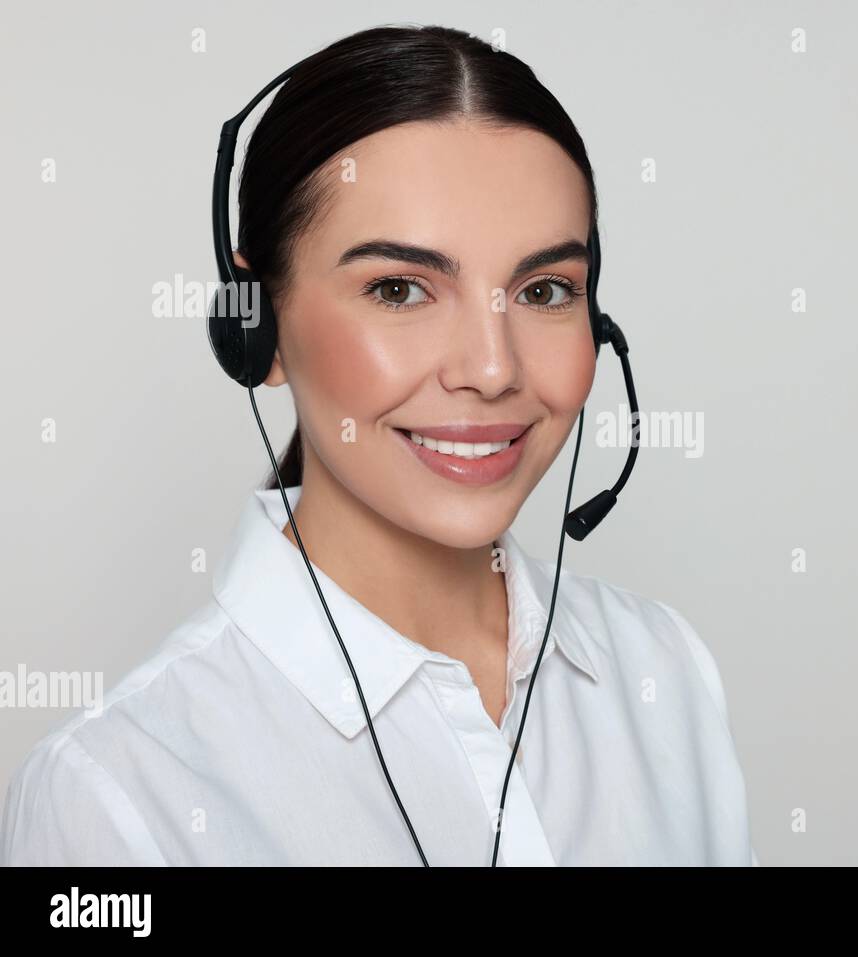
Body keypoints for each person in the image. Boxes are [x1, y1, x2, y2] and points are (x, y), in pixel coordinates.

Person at [0, 23, 756, 866]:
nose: (492, 368)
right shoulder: (113, 798)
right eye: (399, 289)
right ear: (260, 332)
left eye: (544, 289)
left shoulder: (664, 671)